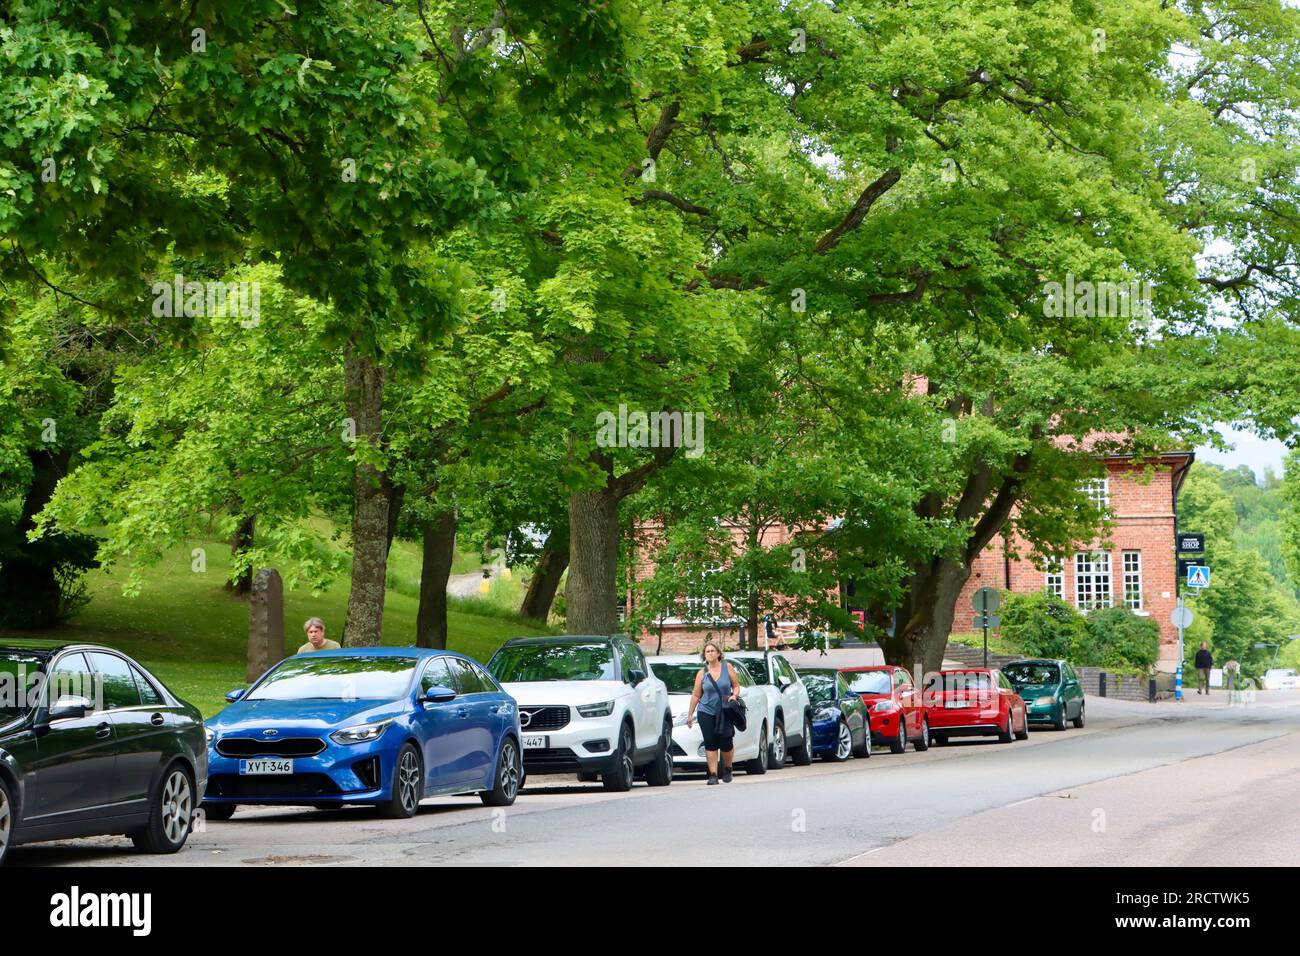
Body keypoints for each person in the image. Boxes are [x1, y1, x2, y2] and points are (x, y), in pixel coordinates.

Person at [686, 640, 742, 785]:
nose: (710, 653)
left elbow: (736, 685)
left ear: (718, 653)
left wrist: (734, 696)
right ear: (704, 655)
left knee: (726, 742)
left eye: (712, 651)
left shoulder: (727, 667)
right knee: (710, 742)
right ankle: (713, 774)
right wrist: (690, 714)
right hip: (706, 711)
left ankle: (728, 769)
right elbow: (696, 695)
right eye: (707, 651)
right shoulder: (701, 673)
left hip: (724, 711)